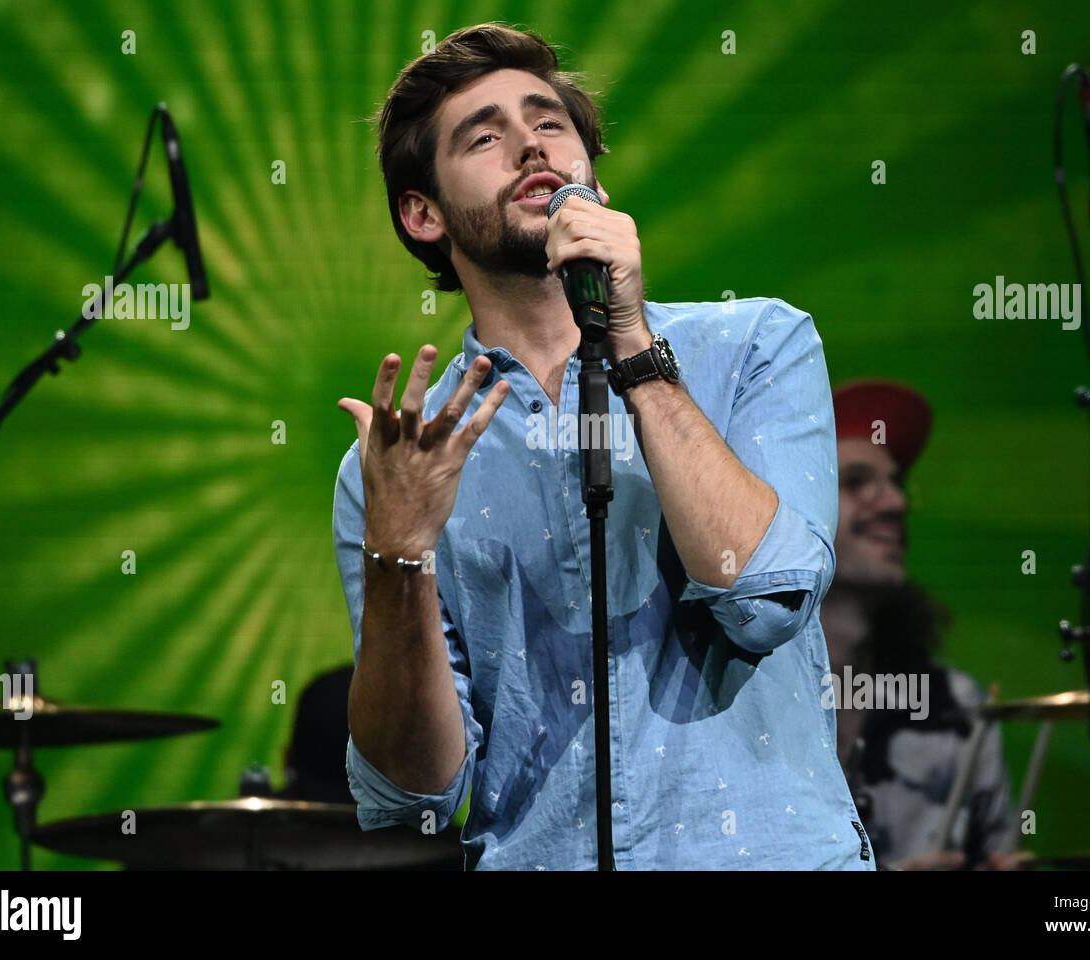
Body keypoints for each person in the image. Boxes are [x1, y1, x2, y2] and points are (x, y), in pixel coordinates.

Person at [332, 22, 873, 870]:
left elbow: (764, 599)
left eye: (550, 123)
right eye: (484, 135)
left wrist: (627, 338)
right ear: (422, 213)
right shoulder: (398, 463)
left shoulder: (757, 346)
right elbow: (415, 789)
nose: (528, 143)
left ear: (593, 176)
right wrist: (398, 553)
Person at [822, 379, 1019, 870]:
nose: (895, 504)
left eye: (896, 484)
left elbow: (1001, 853)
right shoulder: (736, 702)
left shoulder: (958, 708)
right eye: (856, 481)